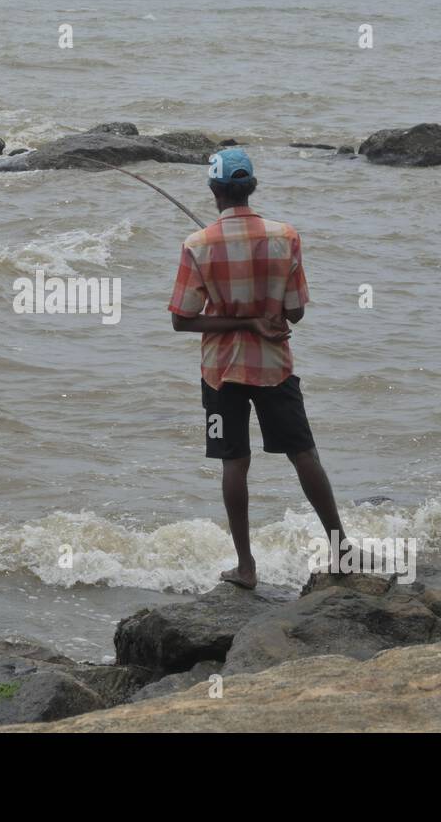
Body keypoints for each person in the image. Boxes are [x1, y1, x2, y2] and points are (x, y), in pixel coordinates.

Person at [168, 147, 346, 589]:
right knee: (303, 453)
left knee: (233, 461)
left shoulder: (197, 245)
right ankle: (341, 550)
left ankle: (246, 567)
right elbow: (295, 313)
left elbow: (181, 320)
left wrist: (238, 318)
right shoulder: (286, 236)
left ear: (214, 190)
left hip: (219, 373)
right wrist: (256, 317)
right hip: (275, 368)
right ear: (251, 188)